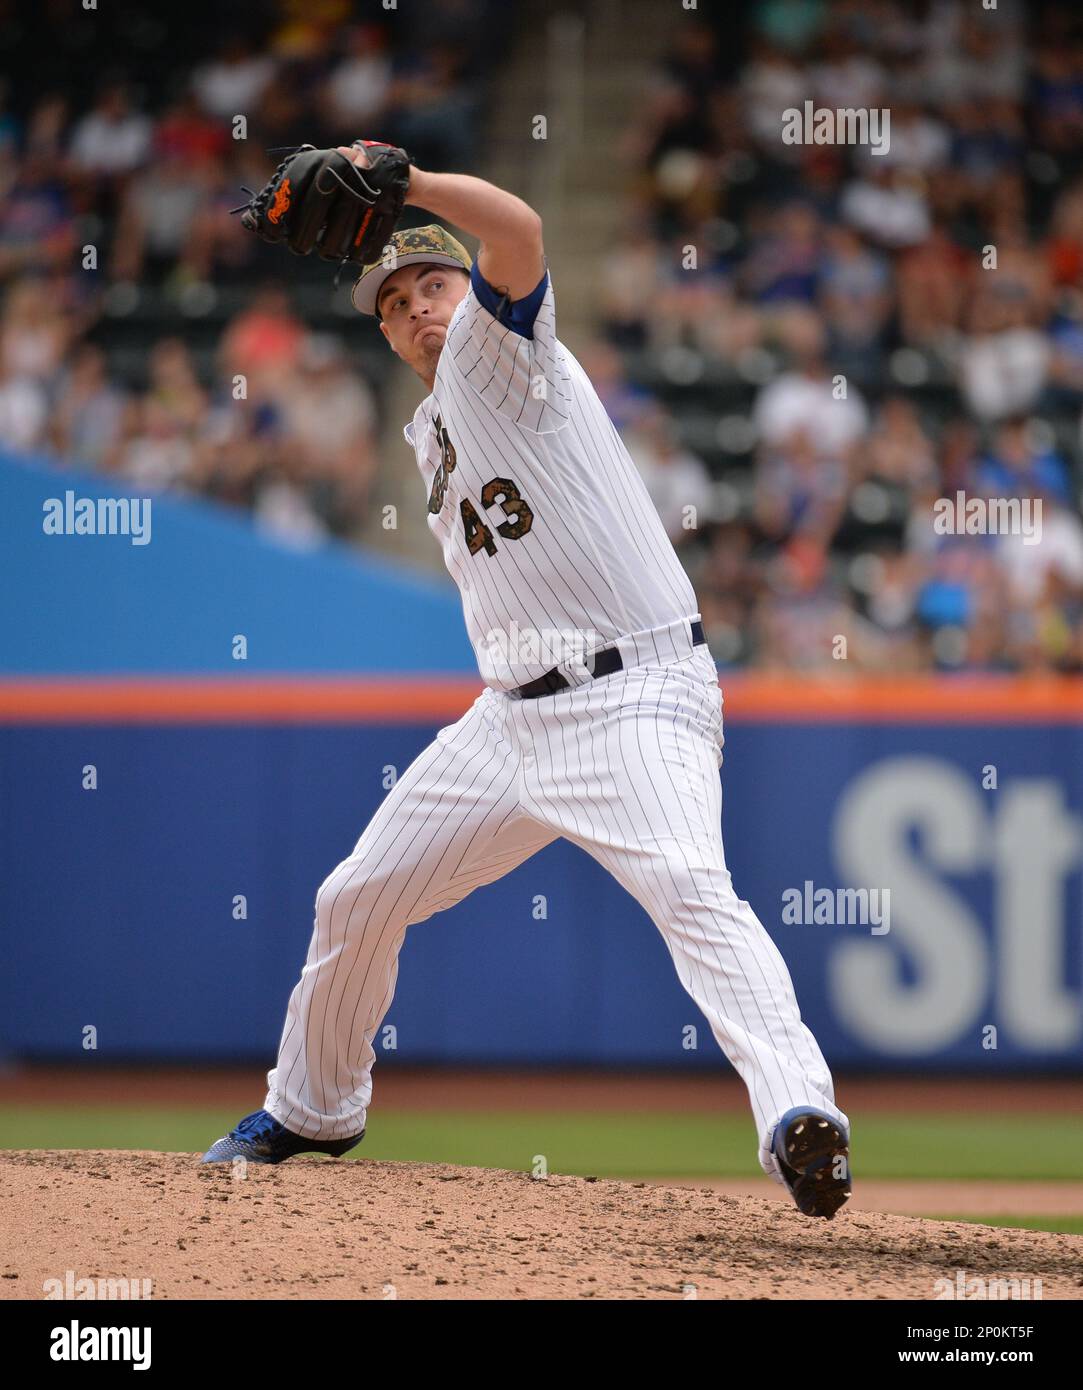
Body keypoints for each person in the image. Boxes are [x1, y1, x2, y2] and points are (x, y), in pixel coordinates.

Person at [202, 154, 852, 1218]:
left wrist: (405, 181)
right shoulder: (434, 425)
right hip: (509, 723)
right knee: (356, 898)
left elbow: (519, 229)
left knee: (695, 892)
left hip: (632, 694)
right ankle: (314, 1108)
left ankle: (799, 1119)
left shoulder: (497, 351)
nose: (419, 309)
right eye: (398, 303)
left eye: (434, 286)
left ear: (469, 294)